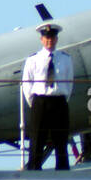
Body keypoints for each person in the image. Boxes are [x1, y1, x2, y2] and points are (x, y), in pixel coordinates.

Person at [21, 21, 73, 170]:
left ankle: (62, 171)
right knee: (37, 139)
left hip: (59, 101)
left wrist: (61, 97)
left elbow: (69, 82)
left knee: (61, 140)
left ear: (56, 39)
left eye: (52, 38)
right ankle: (34, 170)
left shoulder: (65, 59)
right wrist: (34, 103)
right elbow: (27, 83)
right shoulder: (33, 60)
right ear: (41, 40)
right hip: (40, 101)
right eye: (46, 38)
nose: (49, 41)